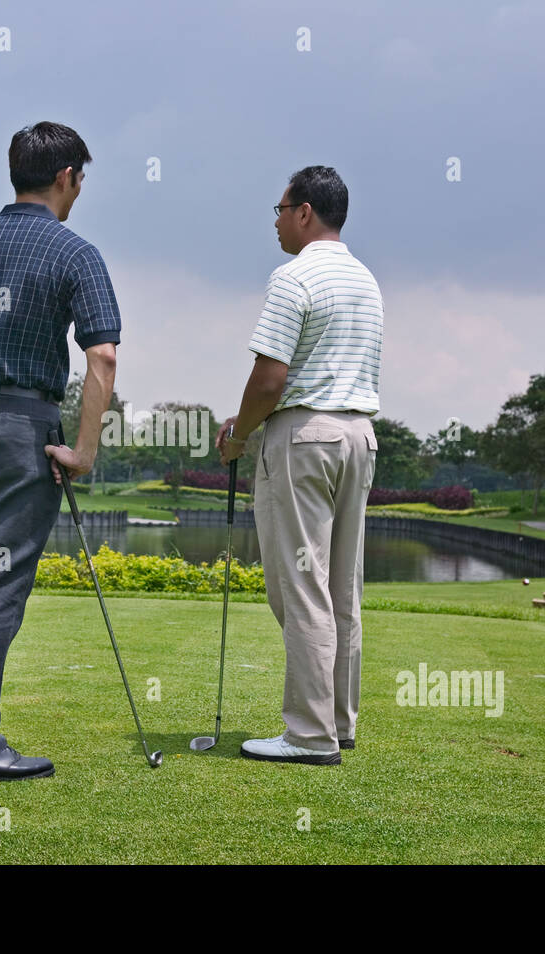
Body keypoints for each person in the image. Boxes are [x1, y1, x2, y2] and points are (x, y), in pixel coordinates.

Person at [0, 121, 121, 783]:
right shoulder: (76, 254)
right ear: (67, 177)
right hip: (24, 425)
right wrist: (84, 451)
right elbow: (103, 355)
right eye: (80, 179)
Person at [216, 165, 383, 765]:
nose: (278, 221)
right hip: (359, 437)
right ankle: (338, 723)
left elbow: (269, 379)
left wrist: (238, 433)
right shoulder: (367, 280)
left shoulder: (292, 277)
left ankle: (309, 737)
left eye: (281, 210)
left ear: (305, 211)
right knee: (342, 587)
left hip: (304, 437)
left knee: (302, 587)